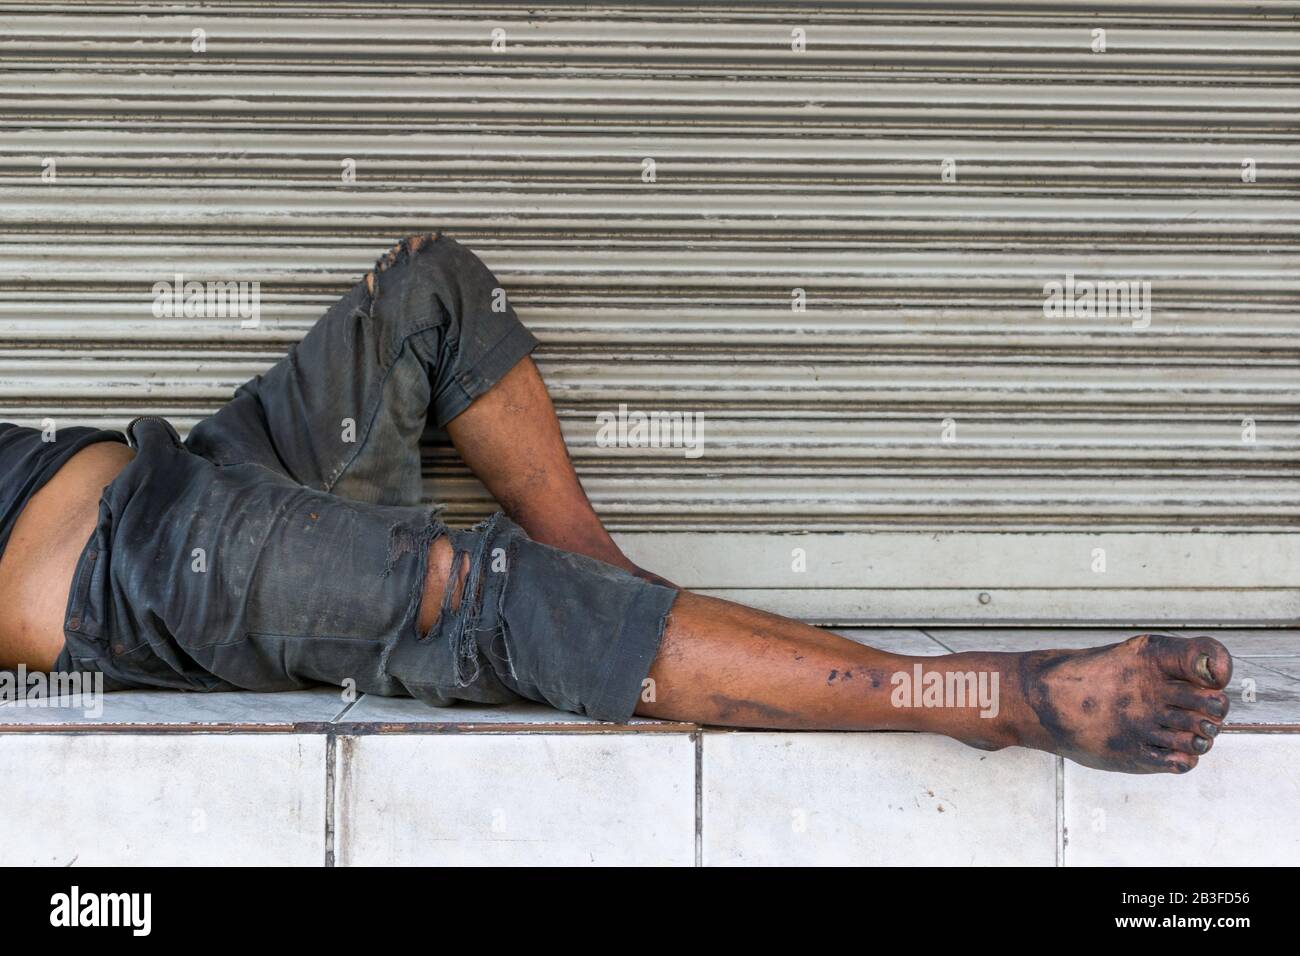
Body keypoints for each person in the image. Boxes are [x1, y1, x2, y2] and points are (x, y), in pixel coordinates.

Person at [0, 234, 1230, 774]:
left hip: (194, 469)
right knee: (486, 601)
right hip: (145, 575)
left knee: (434, 289)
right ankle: (988, 696)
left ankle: (618, 600)